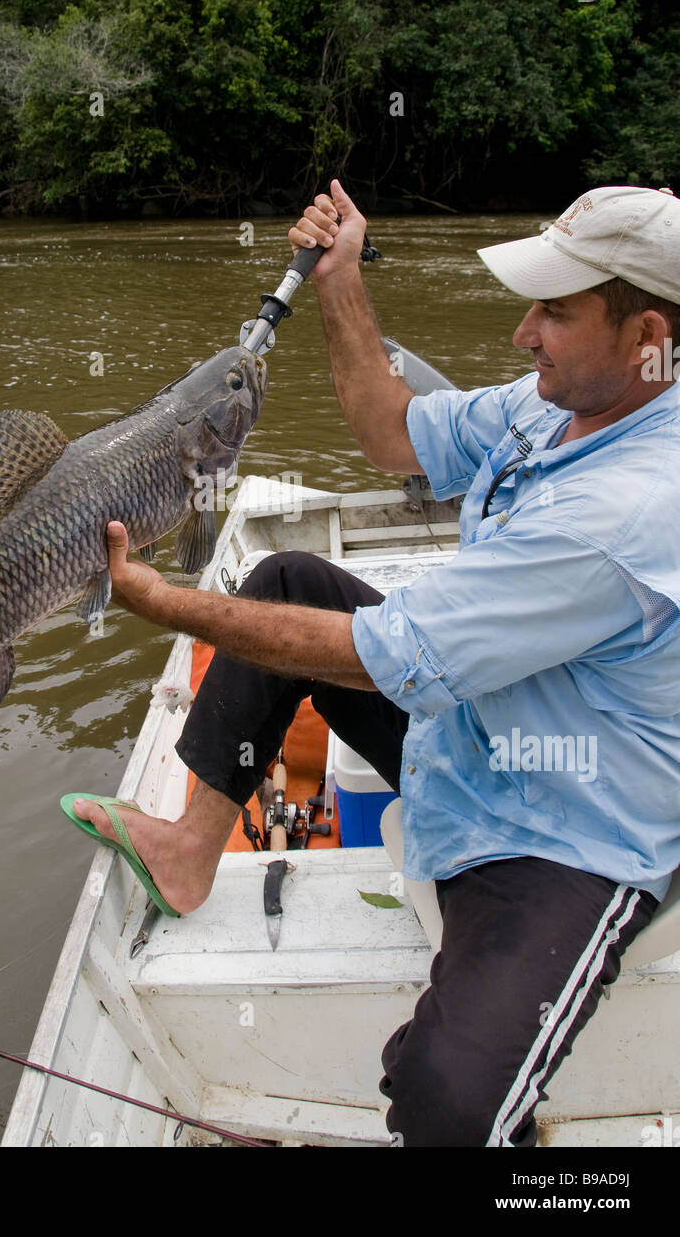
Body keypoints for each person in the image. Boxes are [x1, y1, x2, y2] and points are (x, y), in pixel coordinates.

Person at [71, 179, 680, 1146]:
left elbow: (393, 656)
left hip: (570, 822)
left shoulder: (637, 505)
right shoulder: (556, 405)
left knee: (445, 1097)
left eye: (554, 313)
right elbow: (390, 429)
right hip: (477, 729)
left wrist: (162, 601)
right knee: (282, 584)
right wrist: (339, 279)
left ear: (648, 333)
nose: (523, 333)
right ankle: (190, 851)